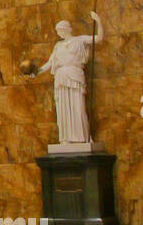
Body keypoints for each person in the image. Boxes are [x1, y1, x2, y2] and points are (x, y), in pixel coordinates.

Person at [32, 12, 103, 144]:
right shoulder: (58, 46)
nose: (59, 34)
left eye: (60, 31)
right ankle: (67, 138)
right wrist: (37, 72)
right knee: (63, 109)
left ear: (66, 29)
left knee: (78, 107)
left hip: (74, 76)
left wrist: (98, 21)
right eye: (58, 32)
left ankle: (84, 138)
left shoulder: (79, 40)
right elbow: (50, 63)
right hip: (61, 79)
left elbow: (98, 38)